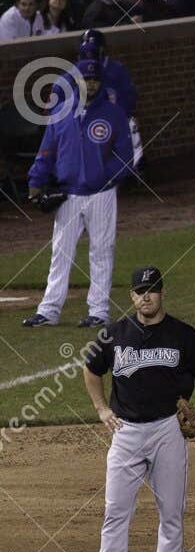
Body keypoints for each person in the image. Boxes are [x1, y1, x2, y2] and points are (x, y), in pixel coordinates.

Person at [71, 266, 195, 552]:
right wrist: (101, 409)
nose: (146, 296)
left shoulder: (184, 335)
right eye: (140, 291)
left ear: (162, 292)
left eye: (152, 290)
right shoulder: (115, 333)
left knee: (171, 510)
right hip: (125, 432)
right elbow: (91, 370)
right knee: (115, 511)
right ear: (132, 296)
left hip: (168, 429)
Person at [23, 58, 134, 330]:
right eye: (86, 78)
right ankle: (48, 311)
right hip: (68, 194)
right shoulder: (60, 112)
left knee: (101, 251)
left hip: (102, 194)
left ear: (100, 81)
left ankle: (99, 311)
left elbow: (125, 157)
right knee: (60, 252)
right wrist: (35, 181)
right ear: (77, 81)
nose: (91, 83)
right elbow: (47, 151)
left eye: (95, 79)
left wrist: (104, 176)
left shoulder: (113, 113)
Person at [74, 29, 142, 171]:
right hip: (88, 118)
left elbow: (129, 96)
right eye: (85, 49)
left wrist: (122, 115)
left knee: (130, 126)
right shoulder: (76, 70)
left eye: (93, 49)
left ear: (102, 49)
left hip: (116, 117)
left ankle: (126, 171)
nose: (89, 53)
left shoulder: (117, 69)